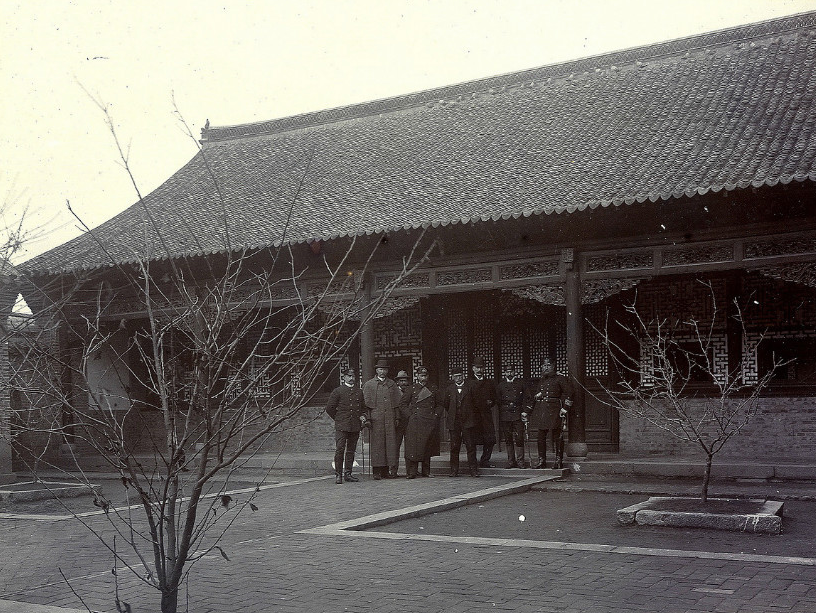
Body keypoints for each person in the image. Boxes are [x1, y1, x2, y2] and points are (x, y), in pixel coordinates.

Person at [525, 358, 574, 469]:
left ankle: (558, 460)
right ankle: (542, 461)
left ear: (553, 366)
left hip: (556, 409)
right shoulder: (542, 380)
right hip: (543, 410)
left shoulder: (560, 378)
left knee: (558, 436)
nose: (546, 367)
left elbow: (570, 393)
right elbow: (537, 394)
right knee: (540, 436)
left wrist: (565, 408)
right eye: (544, 365)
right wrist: (528, 410)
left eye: (548, 365)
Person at [362, 358, 401, 479]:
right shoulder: (369, 385)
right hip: (376, 419)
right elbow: (365, 405)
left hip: (389, 418)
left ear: (387, 371)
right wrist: (367, 419)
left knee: (389, 444)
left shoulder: (392, 384)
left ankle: (386, 471)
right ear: (376, 370)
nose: (382, 371)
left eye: (384, 369)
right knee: (378, 444)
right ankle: (377, 471)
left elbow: (397, 404)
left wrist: (397, 417)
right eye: (380, 369)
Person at [325, 367, 366, 484]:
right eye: (349, 376)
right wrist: (338, 419)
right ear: (344, 377)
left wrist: (363, 416)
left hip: (355, 425)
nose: (352, 378)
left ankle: (348, 474)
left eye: (353, 376)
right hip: (342, 425)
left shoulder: (359, 392)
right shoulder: (338, 391)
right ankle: (338, 475)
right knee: (340, 449)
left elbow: (363, 408)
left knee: (351, 450)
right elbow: (329, 408)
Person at [398, 366, 440, 478]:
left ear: (428, 376)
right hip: (415, 421)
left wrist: (435, 415)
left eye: (425, 375)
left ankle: (426, 471)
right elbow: (402, 405)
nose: (424, 378)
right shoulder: (411, 389)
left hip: (429, 421)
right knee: (414, 447)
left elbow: (439, 404)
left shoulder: (433, 388)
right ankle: (412, 472)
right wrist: (410, 415)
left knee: (427, 446)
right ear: (417, 376)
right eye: (421, 375)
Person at [440, 365, 479, 477]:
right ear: (452, 377)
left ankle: (473, 470)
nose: (458, 378)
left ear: (464, 376)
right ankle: (454, 470)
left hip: (468, 421)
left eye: (460, 376)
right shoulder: (449, 389)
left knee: (470, 446)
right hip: (454, 422)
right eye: (456, 376)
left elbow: (475, 404)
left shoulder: (470, 387)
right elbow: (446, 405)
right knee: (454, 447)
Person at [496, 363, 529, 468]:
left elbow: (527, 398)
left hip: (518, 414)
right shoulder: (500, 385)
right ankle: (511, 461)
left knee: (519, 438)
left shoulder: (521, 384)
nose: (509, 373)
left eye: (511, 371)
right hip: (505, 415)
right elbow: (497, 400)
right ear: (505, 373)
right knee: (508, 439)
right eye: (507, 371)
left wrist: (525, 411)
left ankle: (520, 461)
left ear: (515, 372)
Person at [468, 356, 498, 468]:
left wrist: (491, 402)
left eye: (481, 368)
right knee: (473, 439)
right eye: (477, 368)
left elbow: (494, 398)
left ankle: (485, 460)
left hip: (486, 415)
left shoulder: (489, 382)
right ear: (473, 368)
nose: (479, 370)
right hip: (474, 416)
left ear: (484, 368)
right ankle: (473, 462)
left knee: (489, 438)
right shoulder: (469, 383)